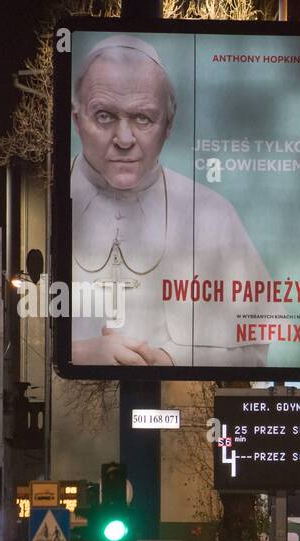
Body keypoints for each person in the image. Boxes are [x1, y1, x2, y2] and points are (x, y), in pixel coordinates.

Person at [69, 35, 271, 367]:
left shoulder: (211, 214)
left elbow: (257, 345)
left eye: (143, 118)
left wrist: (173, 360)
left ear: (168, 126)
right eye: (104, 116)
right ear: (78, 121)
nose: (123, 139)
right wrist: (76, 354)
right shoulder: (49, 205)